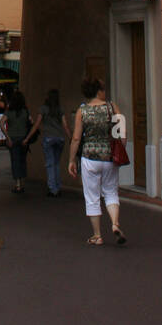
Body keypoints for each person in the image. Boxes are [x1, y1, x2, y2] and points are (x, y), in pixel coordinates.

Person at [68, 77, 126, 245]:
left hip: (89, 158)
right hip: (109, 157)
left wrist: (72, 160)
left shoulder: (82, 111)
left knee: (92, 196)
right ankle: (115, 224)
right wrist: (120, 148)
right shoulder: (112, 107)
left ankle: (97, 235)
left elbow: (76, 138)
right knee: (111, 192)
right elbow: (121, 133)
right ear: (99, 91)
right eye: (103, 88)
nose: (105, 91)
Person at [28, 89, 71, 197]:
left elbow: (37, 124)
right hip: (60, 138)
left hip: (48, 138)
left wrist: (27, 138)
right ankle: (57, 186)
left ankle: (53, 189)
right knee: (56, 163)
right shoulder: (60, 110)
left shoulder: (43, 109)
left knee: (50, 164)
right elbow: (65, 125)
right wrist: (71, 138)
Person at [3, 88, 32, 193]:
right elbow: (31, 123)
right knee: (22, 160)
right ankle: (22, 181)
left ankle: (18, 184)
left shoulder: (9, 112)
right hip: (23, 138)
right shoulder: (25, 111)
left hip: (13, 138)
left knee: (15, 161)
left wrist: (7, 137)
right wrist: (28, 137)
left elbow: (1, 123)